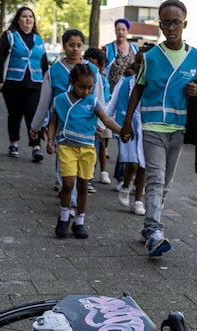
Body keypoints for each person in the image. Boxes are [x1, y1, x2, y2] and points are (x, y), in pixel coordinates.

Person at [121, 0, 197, 257]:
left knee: (165, 183)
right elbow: (138, 88)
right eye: (166, 22)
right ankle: (156, 232)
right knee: (155, 179)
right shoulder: (151, 57)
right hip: (153, 126)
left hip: (178, 128)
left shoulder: (196, 57)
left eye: (176, 22)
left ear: (185, 24)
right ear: (160, 25)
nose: (171, 27)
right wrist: (127, 123)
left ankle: (148, 228)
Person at [46, 63, 125, 240]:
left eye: (90, 87)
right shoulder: (60, 100)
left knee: (83, 186)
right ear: (71, 82)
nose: (86, 91)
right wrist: (50, 140)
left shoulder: (93, 102)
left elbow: (106, 120)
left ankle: (79, 221)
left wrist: (122, 131)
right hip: (66, 147)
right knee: (67, 184)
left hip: (87, 149)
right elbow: (53, 122)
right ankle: (64, 217)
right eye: (82, 87)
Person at [30, 30, 104, 197]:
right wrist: (36, 126)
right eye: (71, 45)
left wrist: (100, 125)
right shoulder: (53, 71)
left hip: (85, 125)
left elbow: (99, 98)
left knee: (83, 160)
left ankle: (77, 190)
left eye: (79, 45)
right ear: (64, 46)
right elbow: (44, 101)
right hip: (61, 124)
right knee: (63, 153)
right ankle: (65, 188)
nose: (75, 49)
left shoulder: (92, 70)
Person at [0, 6, 49, 162]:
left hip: (35, 84)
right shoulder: (10, 36)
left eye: (31, 16)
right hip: (13, 83)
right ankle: (14, 143)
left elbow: (44, 62)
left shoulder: (38, 39)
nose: (28, 19)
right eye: (24, 16)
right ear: (18, 20)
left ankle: (36, 147)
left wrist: (47, 83)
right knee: (15, 115)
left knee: (34, 115)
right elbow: (0, 56)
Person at [106, 57, 145, 216]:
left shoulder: (154, 83)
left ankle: (138, 201)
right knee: (133, 163)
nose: (140, 65)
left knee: (144, 165)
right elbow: (112, 104)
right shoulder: (125, 82)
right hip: (127, 126)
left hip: (146, 126)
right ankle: (126, 186)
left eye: (144, 63)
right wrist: (102, 122)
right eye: (138, 62)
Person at [83, 47, 112, 187]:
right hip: (86, 121)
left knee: (97, 149)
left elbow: (102, 101)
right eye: (87, 62)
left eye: (92, 64)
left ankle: (91, 177)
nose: (89, 66)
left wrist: (101, 124)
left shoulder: (103, 81)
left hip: (101, 119)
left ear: (101, 67)